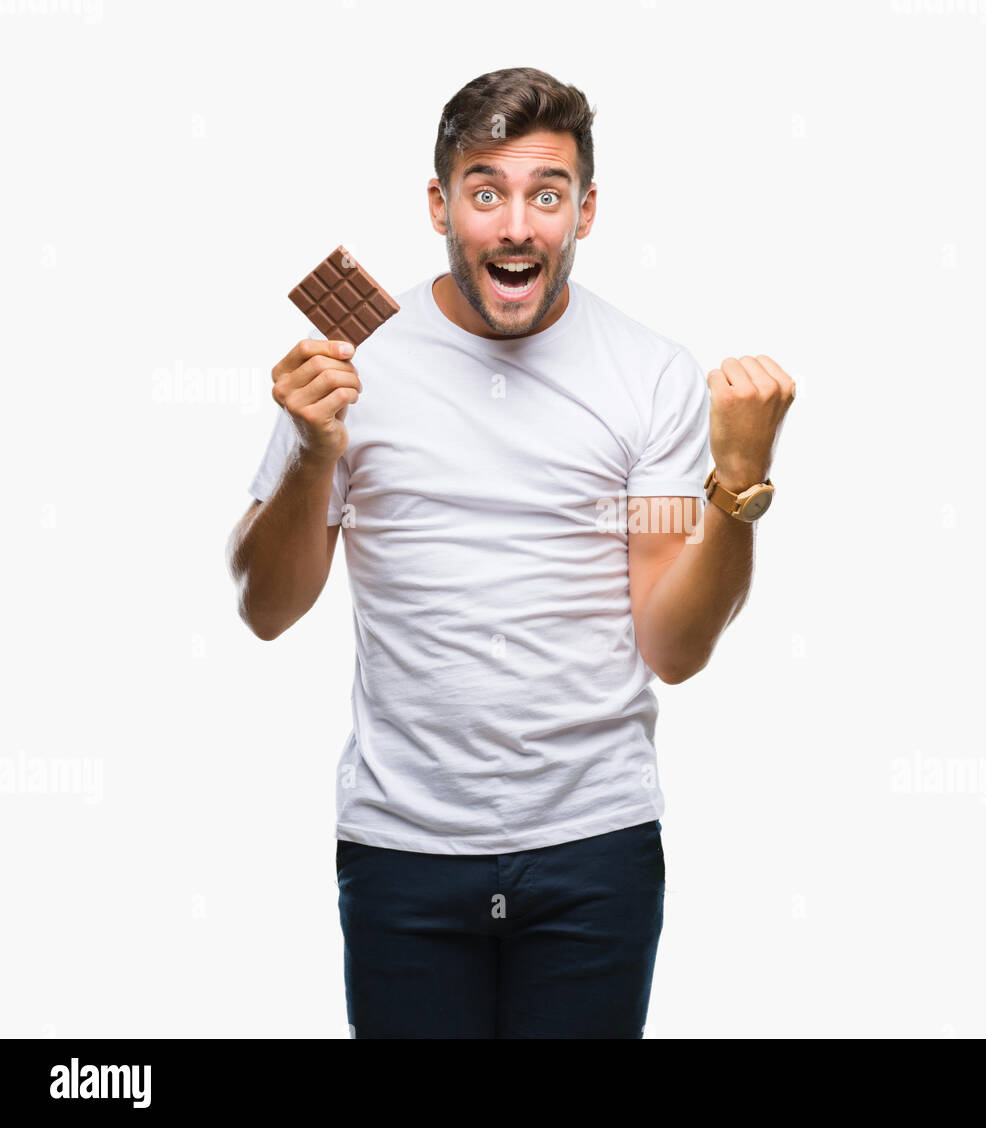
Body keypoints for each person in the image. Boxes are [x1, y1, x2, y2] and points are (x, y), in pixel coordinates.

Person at [225, 66, 795, 1038]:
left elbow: (671, 645)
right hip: (402, 847)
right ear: (440, 204)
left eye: (547, 193)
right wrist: (315, 453)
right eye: (486, 191)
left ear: (585, 211)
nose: (516, 225)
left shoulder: (648, 377)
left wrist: (734, 494)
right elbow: (264, 608)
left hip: (594, 848)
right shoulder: (349, 364)